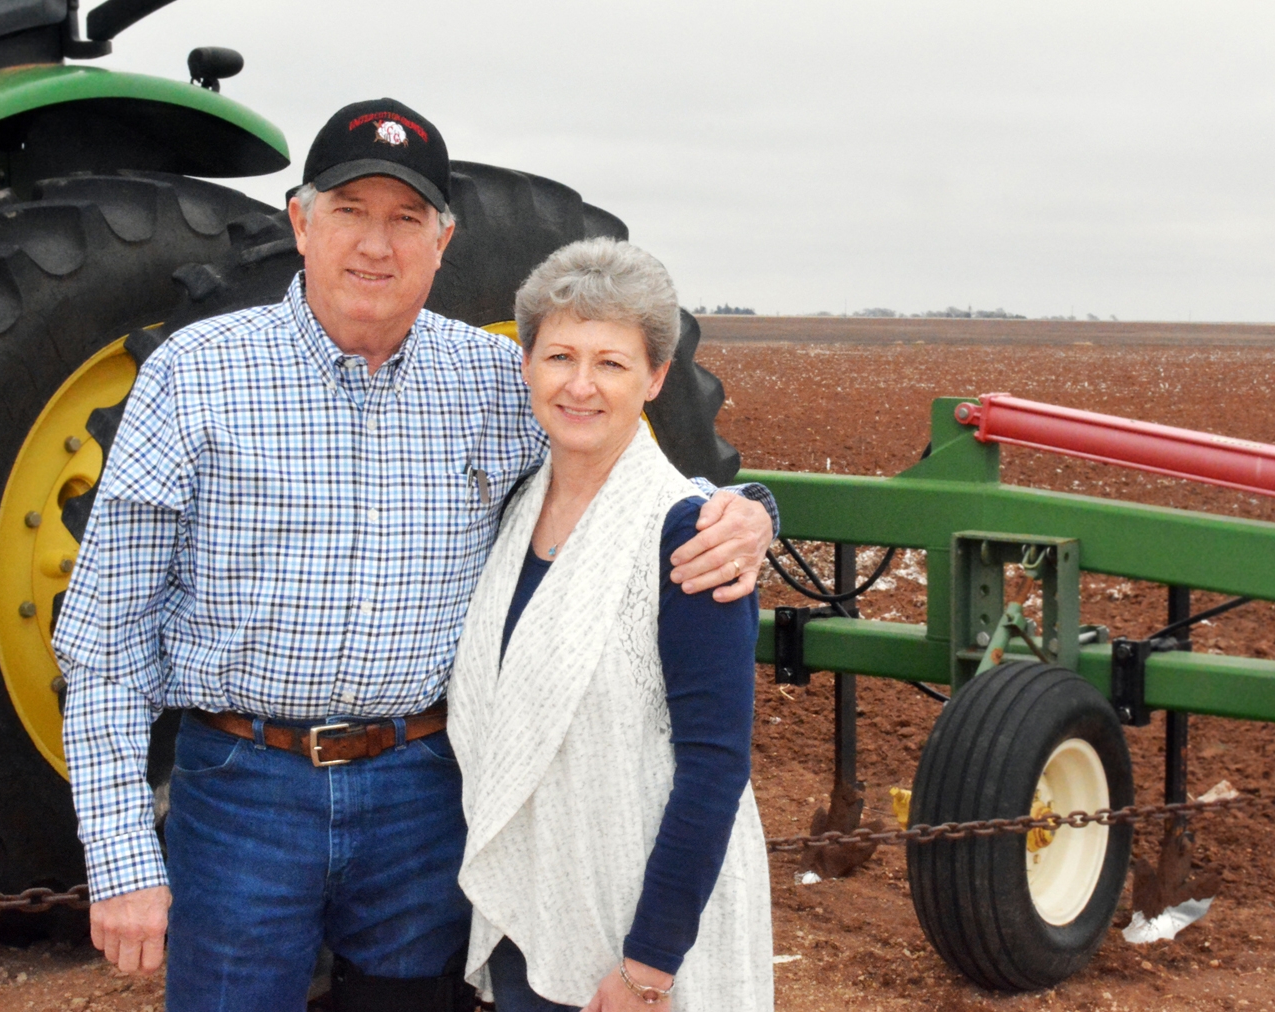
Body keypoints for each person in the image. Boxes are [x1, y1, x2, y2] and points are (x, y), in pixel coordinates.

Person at [52, 98, 776, 1012]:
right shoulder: (195, 375)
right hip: (244, 791)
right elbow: (106, 636)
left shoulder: (495, 379)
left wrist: (744, 511)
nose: (375, 244)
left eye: (405, 218)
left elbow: (616, 461)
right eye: (349, 211)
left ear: (444, 241)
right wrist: (122, 856)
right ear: (300, 222)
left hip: (424, 796)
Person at [447, 238, 773, 1012]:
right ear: (527, 364)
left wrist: (646, 966)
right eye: (560, 356)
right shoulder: (514, 510)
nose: (581, 386)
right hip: (535, 920)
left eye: (612, 363)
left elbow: (713, 768)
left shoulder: (689, 536)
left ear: (655, 378)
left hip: (642, 945)